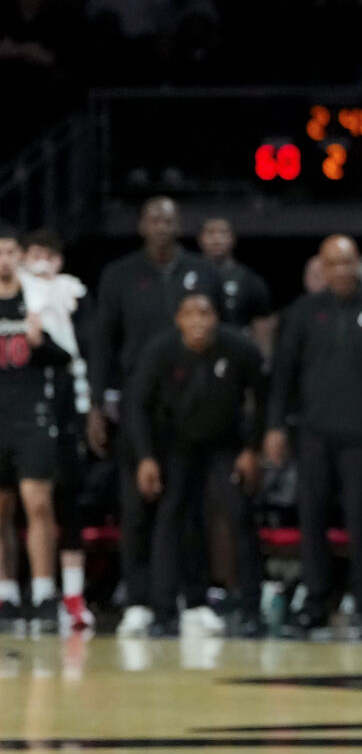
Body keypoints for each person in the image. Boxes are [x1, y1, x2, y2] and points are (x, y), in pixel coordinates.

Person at [91, 197, 225, 637]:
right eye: (154, 219)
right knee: (136, 509)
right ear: (142, 226)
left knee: (191, 508)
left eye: (169, 219)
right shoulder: (120, 275)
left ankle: (196, 599)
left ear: (178, 224)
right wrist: (96, 403)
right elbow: (103, 343)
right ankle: (139, 600)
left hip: (194, 405)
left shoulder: (202, 272)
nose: (162, 226)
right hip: (138, 406)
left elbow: (224, 335)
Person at [265, 236, 362, 639]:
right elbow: (283, 377)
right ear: (322, 269)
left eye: (347, 263)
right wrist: (275, 426)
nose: (341, 271)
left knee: (361, 521)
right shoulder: (305, 313)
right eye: (333, 265)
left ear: (358, 264)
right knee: (312, 520)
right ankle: (315, 602)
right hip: (313, 433)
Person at [126, 291, 265, 636]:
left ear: (216, 318)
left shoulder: (240, 349)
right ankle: (163, 611)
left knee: (239, 514)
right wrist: (145, 457)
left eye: (205, 314)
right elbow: (137, 406)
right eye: (190, 314)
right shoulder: (161, 351)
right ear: (178, 321)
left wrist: (252, 448)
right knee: (170, 517)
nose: (198, 321)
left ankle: (251, 609)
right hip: (176, 443)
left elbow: (264, 397)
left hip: (225, 443)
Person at [21, 229, 92, 631]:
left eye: (49, 253)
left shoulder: (75, 298)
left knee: (66, 500)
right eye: (34, 253)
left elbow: (82, 350)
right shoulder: (14, 300)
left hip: (70, 407)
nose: (41, 261)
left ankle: (70, 595)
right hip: (21, 410)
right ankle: (20, 592)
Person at [0, 227, 68, 634]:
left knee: (38, 505)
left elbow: (67, 355)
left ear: (22, 256)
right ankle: (5, 592)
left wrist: (40, 341)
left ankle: (44, 592)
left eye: (11, 250)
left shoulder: (40, 300)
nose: (5, 258)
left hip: (33, 417)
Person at [197, 217, 276, 356]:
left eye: (223, 233)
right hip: (196, 351)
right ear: (200, 239)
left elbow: (262, 324)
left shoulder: (249, 279)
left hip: (235, 353)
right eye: (210, 233)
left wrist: (263, 359)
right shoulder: (188, 277)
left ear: (233, 239)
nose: (217, 239)